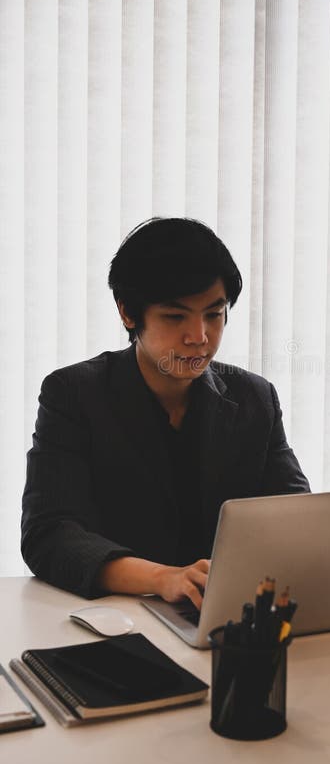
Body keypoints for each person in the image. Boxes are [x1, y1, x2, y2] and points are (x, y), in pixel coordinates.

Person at [21, 217, 309, 607]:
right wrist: (161, 577)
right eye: (175, 317)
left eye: (214, 313)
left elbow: (295, 516)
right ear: (127, 313)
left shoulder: (255, 398)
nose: (199, 337)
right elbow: (49, 533)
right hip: (116, 618)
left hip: (225, 617)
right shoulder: (73, 394)